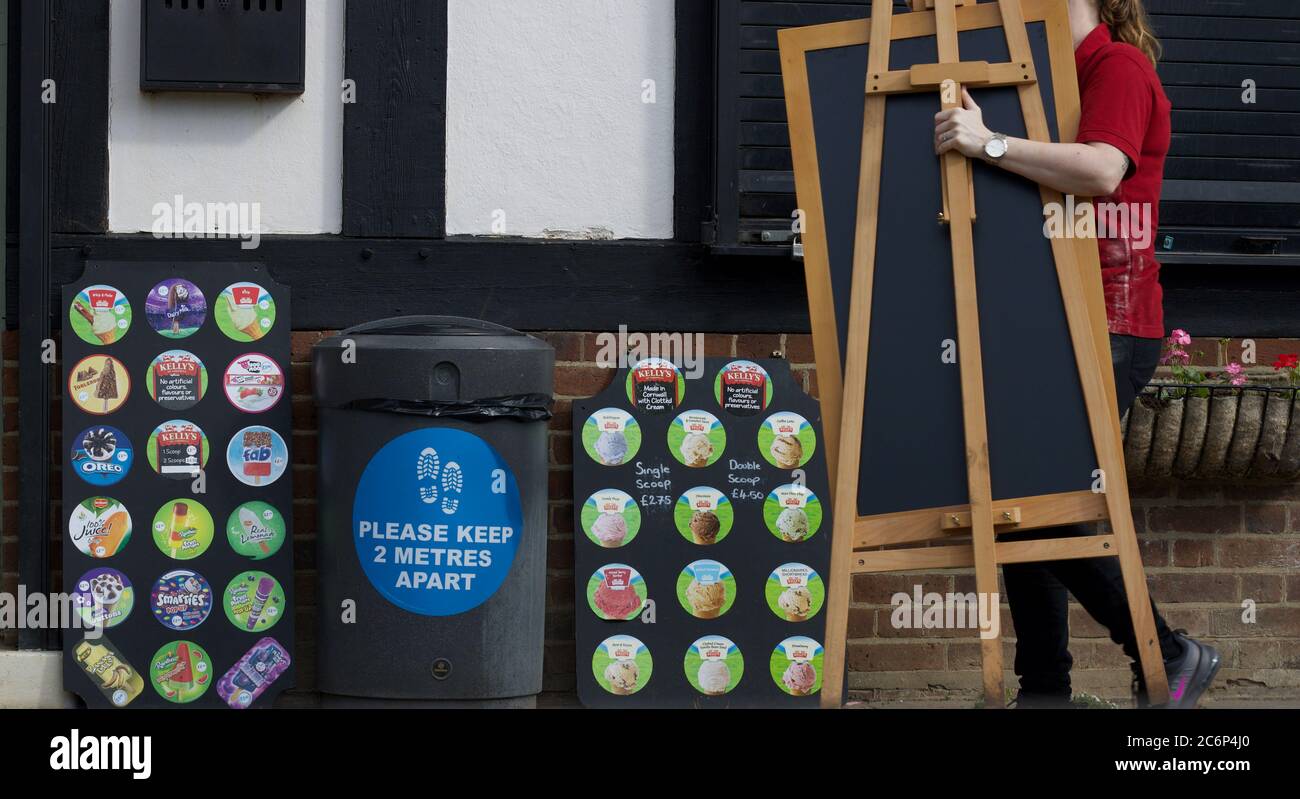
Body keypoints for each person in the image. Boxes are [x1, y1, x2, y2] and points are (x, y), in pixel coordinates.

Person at [931, 0, 1220, 708]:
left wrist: (986, 142)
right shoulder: (1044, 82)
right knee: (1021, 500)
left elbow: (1099, 171)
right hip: (1054, 319)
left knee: (1044, 504)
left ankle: (1168, 651)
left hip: (1111, 323)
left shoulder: (1115, 67)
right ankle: (1046, 688)